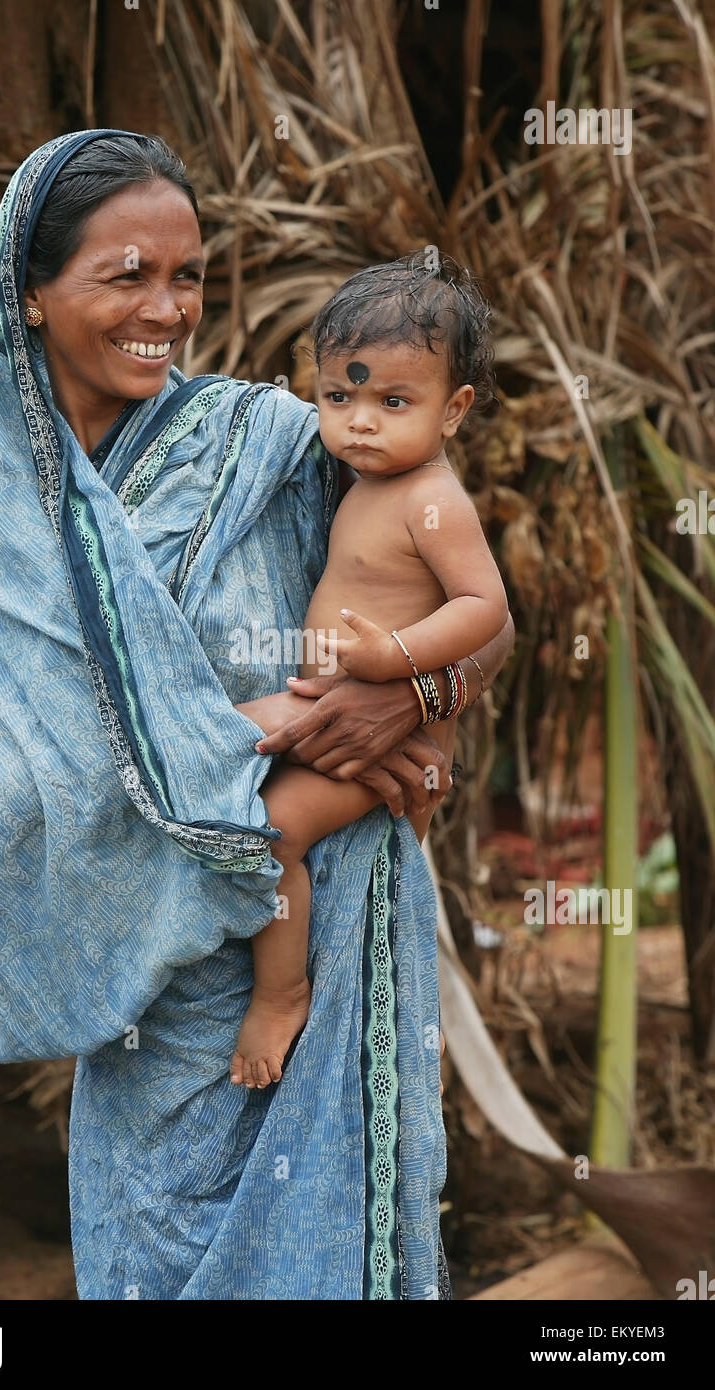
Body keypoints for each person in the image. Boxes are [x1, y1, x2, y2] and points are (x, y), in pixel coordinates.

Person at [0, 129, 514, 1301]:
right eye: (125, 275)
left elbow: (480, 609)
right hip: (157, 988)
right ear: (32, 296)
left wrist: (413, 693)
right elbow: (55, 769)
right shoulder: (3, 531)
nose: (168, 306)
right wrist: (273, 732)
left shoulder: (274, 439)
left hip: (329, 924)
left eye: (187, 273)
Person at [229, 255, 508, 1089]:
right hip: (333, 709)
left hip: (397, 734)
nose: (359, 423)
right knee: (224, 756)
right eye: (338, 397)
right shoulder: (364, 480)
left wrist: (396, 662)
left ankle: (280, 996)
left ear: (455, 410)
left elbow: (485, 606)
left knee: (274, 829)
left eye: (393, 402)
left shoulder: (433, 500)